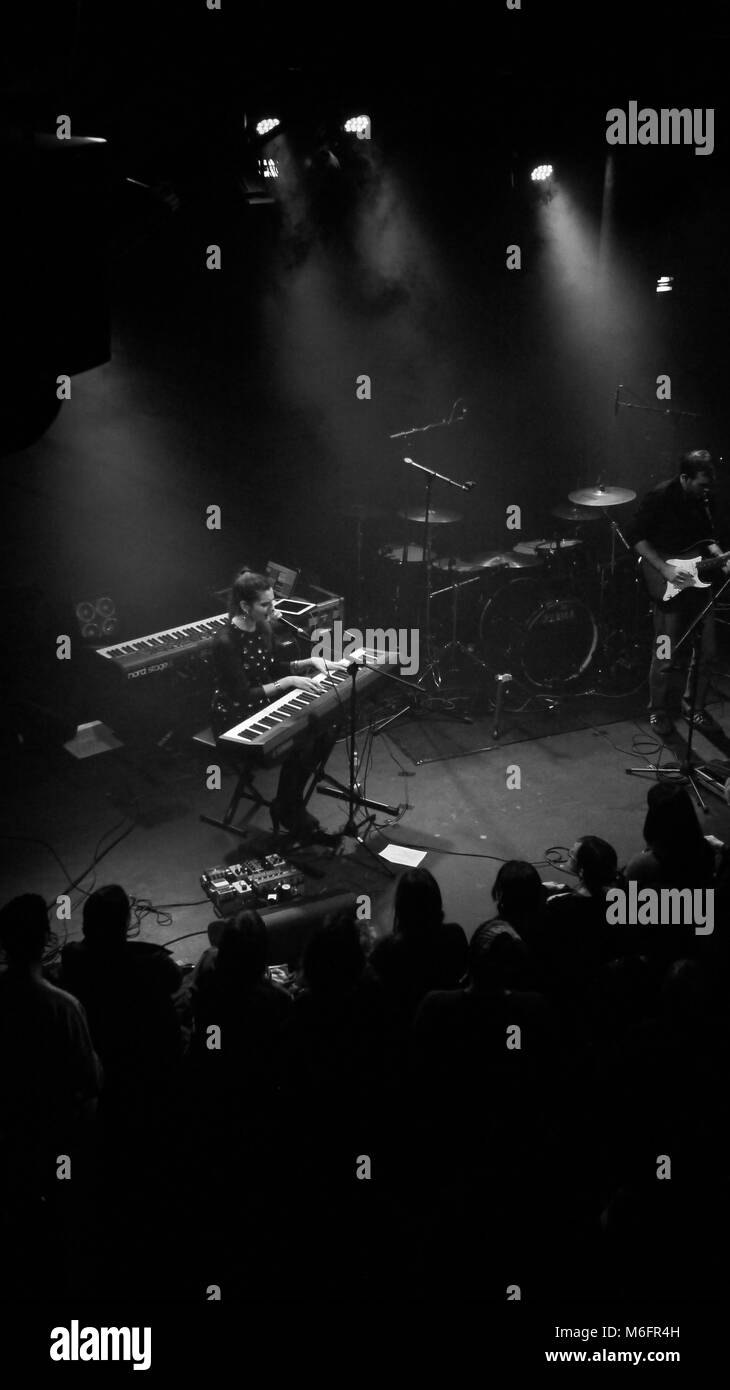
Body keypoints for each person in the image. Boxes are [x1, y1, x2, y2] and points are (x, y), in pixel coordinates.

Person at [210, 569, 346, 839]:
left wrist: (309, 662)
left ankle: (288, 803)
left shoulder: (262, 627)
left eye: (272, 602)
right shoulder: (226, 642)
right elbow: (242, 694)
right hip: (235, 716)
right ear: (245, 606)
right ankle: (289, 808)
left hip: (263, 703)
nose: (272, 609)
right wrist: (289, 682)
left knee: (323, 730)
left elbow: (271, 667)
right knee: (302, 740)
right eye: (265, 605)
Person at [628, 449, 729, 738]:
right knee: (665, 651)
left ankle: (694, 706)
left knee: (708, 652)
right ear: (685, 478)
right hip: (667, 581)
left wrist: (722, 558)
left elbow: (707, 539)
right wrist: (664, 569)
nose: (706, 490)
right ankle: (658, 709)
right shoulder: (661, 496)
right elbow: (636, 536)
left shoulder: (704, 500)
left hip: (698, 583)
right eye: (702, 484)